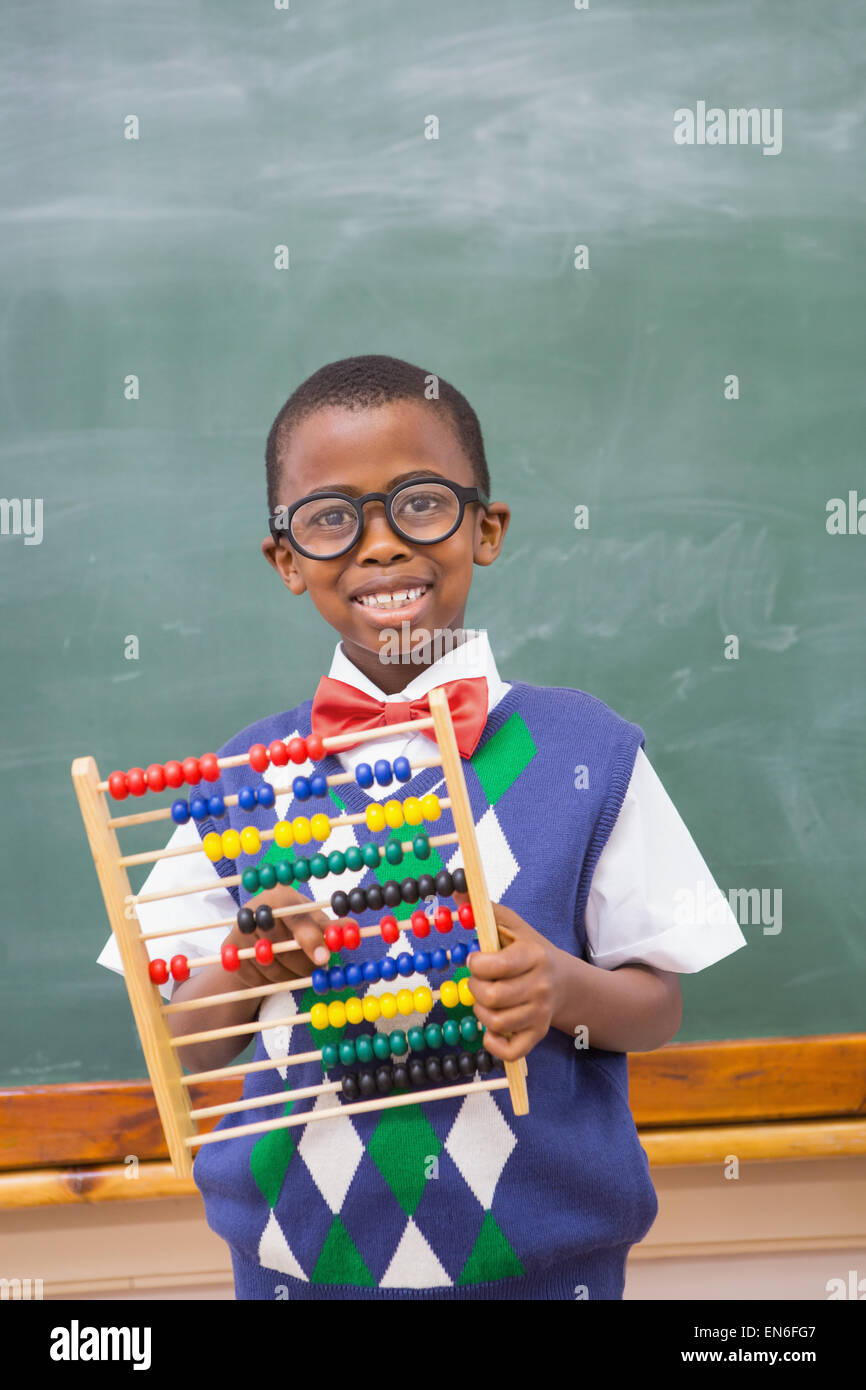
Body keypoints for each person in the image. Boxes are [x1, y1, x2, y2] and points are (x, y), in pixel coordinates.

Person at [98, 354, 746, 1300]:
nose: (382, 545)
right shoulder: (239, 783)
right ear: (286, 560)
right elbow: (183, 1044)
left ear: (486, 530)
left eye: (421, 503)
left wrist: (560, 988)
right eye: (331, 518)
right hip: (294, 1267)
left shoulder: (586, 752)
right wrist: (247, 965)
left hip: (539, 1266)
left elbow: (659, 1005)